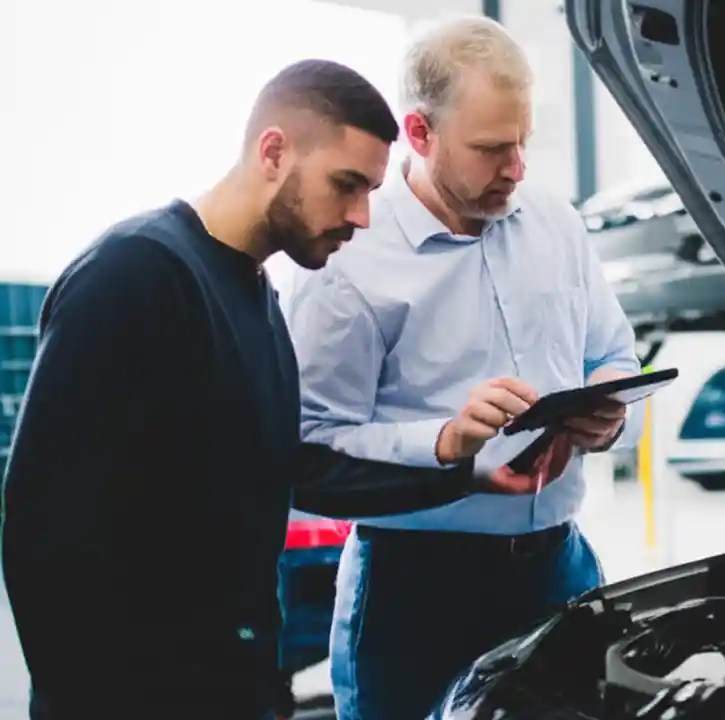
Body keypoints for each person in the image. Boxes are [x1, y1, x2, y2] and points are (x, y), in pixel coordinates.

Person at [1, 59, 482, 720]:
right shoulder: (137, 275)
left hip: (237, 691)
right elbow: (42, 532)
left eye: (370, 191)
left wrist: (467, 473)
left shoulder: (259, 300)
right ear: (274, 151)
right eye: (346, 185)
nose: (362, 216)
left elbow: (291, 472)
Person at [284, 16, 643, 719]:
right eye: (489, 149)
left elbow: (612, 352)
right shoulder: (349, 262)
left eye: (521, 143)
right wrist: (444, 441)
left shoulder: (555, 222)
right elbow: (311, 444)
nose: (515, 168)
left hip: (560, 567)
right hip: (415, 592)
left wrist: (606, 406)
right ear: (419, 134)